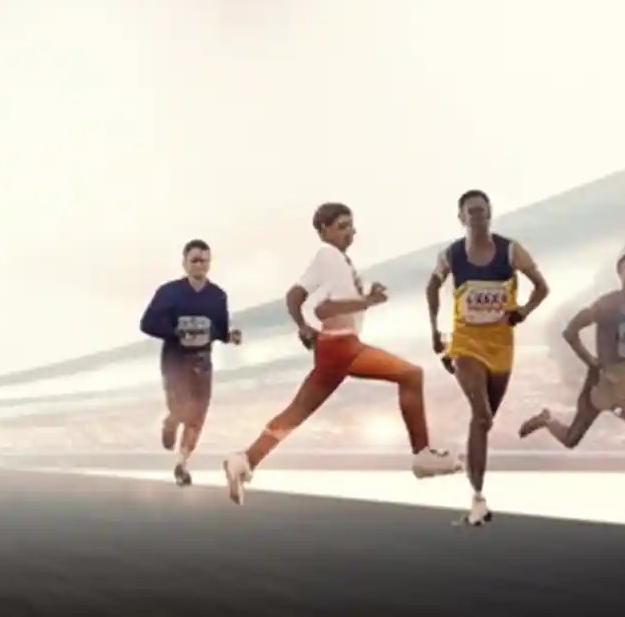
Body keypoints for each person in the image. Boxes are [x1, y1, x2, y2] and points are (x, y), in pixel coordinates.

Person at [222, 202, 461, 506]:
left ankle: (245, 459)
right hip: (342, 345)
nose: (351, 231)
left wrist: (305, 327)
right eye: (342, 226)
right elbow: (324, 309)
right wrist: (368, 302)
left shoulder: (333, 260)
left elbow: (294, 297)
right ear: (323, 230)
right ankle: (423, 457)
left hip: (332, 348)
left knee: (297, 411)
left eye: (351, 225)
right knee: (411, 374)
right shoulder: (329, 257)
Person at [426, 189, 549, 526]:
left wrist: (524, 310)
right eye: (472, 212)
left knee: (484, 421)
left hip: (501, 346)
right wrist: (435, 331)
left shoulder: (510, 250)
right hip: (465, 343)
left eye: (483, 211)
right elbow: (431, 287)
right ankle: (478, 498)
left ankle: (473, 490)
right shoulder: (451, 255)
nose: (478, 217)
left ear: (490, 214)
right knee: (481, 414)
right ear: (461, 218)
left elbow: (542, 286)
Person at [519, 251, 625, 517]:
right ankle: (546, 420)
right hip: (602, 383)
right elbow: (570, 331)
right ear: (619, 275)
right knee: (572, 439)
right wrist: (590, 361)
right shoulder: (606, 305)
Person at [140, 239, 242, 486]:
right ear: (184, 263)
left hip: (202, 362)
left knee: (197, 415)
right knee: (181, 408)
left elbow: (218, 329)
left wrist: (230, 336)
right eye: (194, 260)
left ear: (209, 263)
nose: (199, 265)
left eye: (204, 261)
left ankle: (182, 464)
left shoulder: (218, 296)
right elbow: (146, 323)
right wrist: (177, 331)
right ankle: (172, 421)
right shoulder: (168, 292)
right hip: (175, 360)